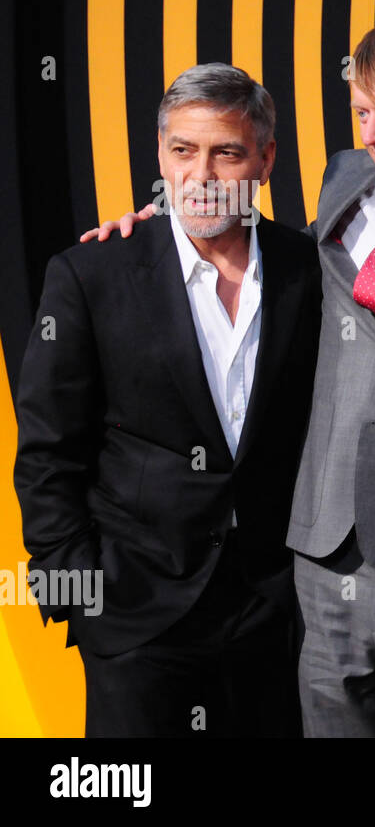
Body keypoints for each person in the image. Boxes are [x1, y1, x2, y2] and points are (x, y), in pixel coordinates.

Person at [84, 15, 375, 738]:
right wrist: (155, 226)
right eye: (362, 113)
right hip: (318, 560)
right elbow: (218, 214)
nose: (374, 133)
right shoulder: (345, 183)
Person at [14, 63, 320, 737]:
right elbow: (47, 454)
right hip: (138, 619)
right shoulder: (92, 274)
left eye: (227, 152)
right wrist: (83, 596)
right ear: (160, 154)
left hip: (276, 620)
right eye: (183, 150)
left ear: (266, 158)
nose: (201, 175)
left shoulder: (311, 271)